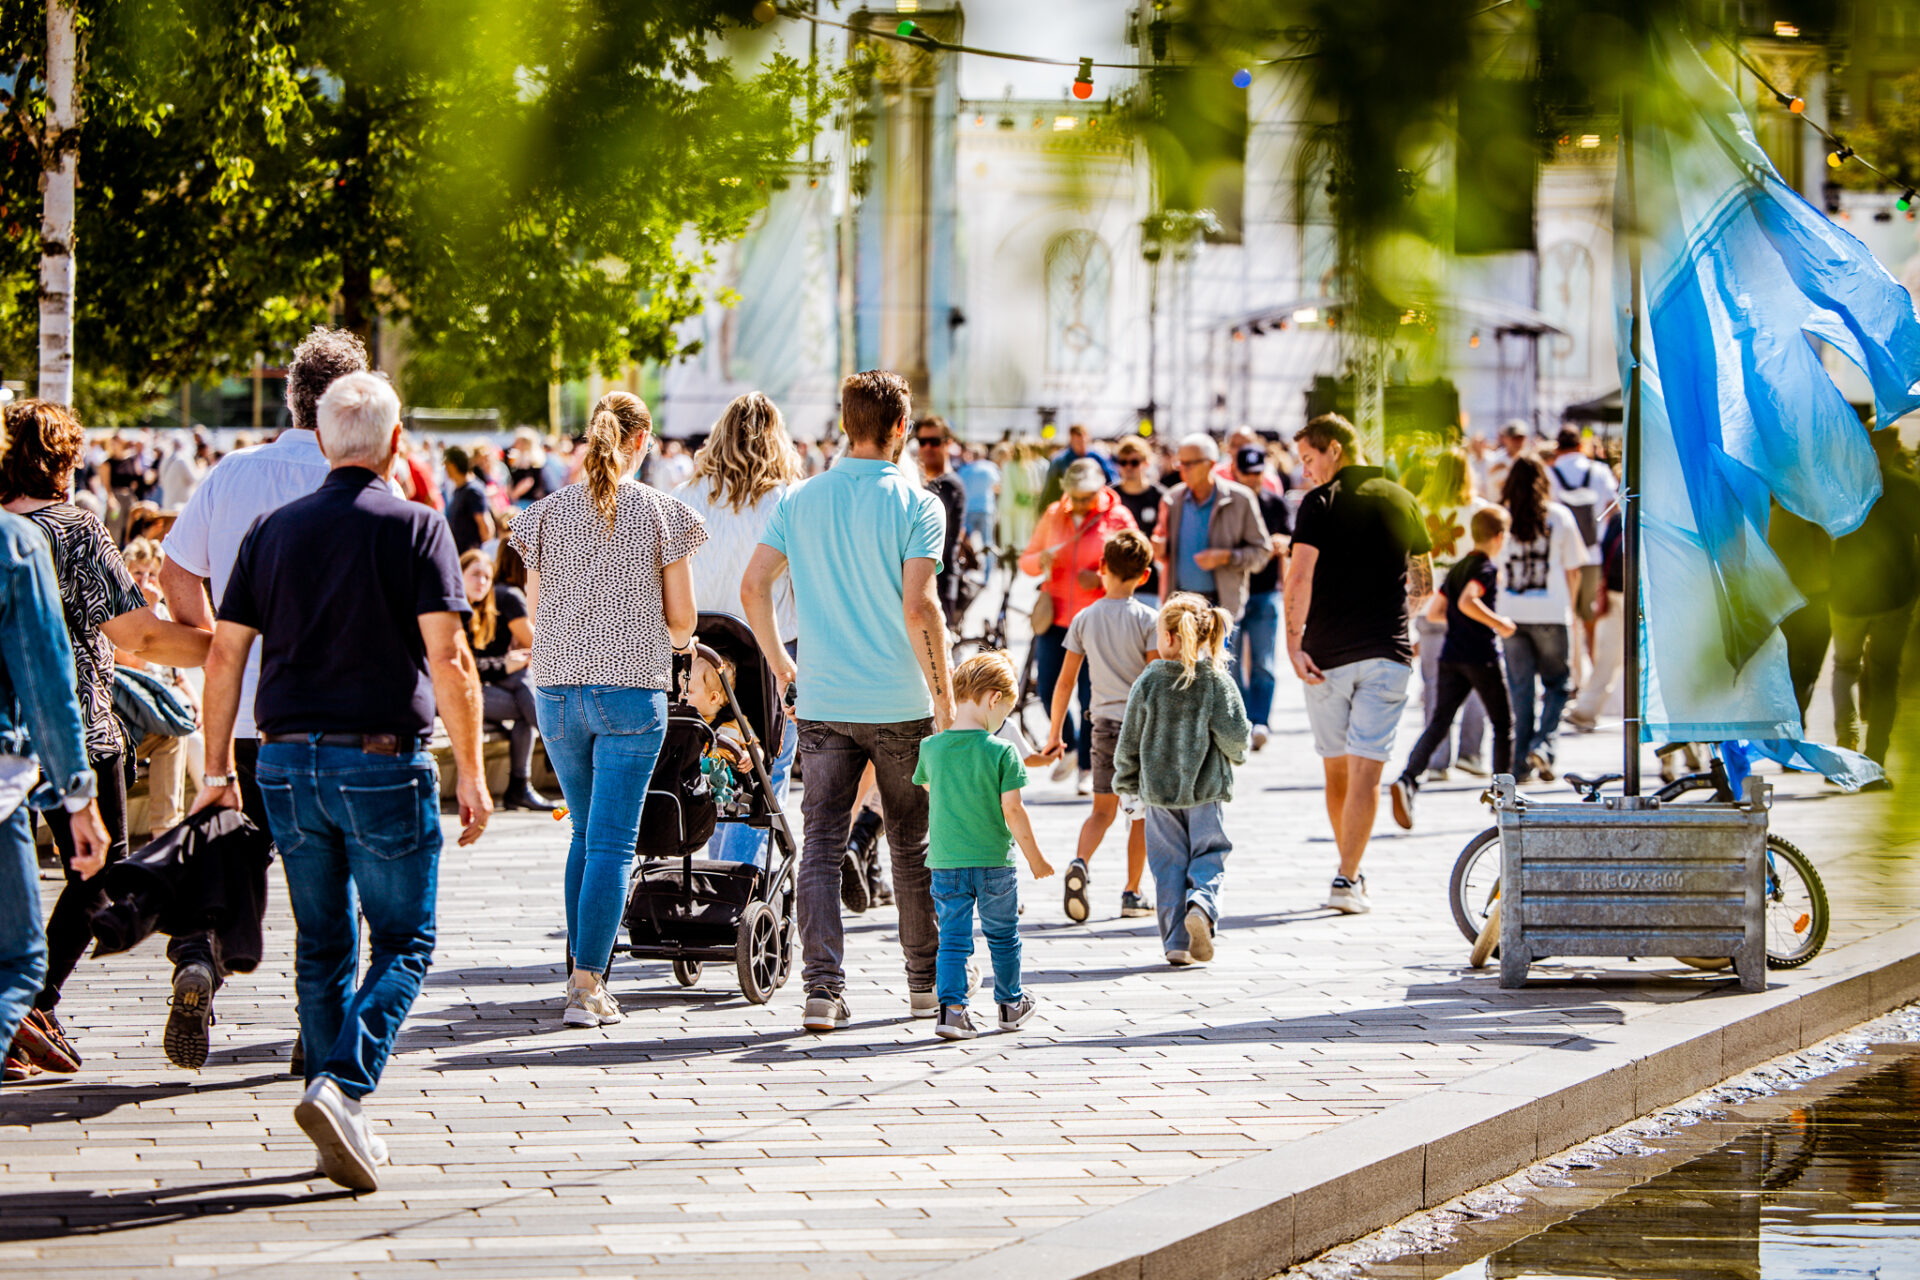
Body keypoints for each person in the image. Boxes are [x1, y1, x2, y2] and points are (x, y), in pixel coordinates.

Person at [191, 371, 486, 1189]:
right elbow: (451, 658)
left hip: (284, 756)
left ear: (321, 441)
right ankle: (343, 1085)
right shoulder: (418, 528)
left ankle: (335, 1112)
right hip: (380, 757)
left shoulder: (270, 531)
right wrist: (470, 769)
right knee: (404, 938)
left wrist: (217, 768)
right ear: (396, 442)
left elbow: (224, 655)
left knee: (321, 944)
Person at [161, 324, 368, 1071]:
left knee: (232, 853)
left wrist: (217, 644)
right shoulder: (359, 483)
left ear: (290, 397)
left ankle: (201, 956)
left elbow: (176, 574)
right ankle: (319, 1021)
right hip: (329, 711)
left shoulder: (231, 475)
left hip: (242, 706)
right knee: (327, 868)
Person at [0, 400, 212, 1075]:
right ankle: (31, 1003)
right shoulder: (73, 529)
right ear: (62, 460)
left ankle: (25, 1008)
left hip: (8, 734)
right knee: (100, 871)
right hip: (78, 726)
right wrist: (224, 647)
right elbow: (139, 634)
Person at [740, 369, 953, 1034]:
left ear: (845, 423)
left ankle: (822, 991)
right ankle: (924, 986)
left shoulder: (801, 499)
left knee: (823, 844)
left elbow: (754, 587)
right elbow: (919, 604)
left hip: (824, 697)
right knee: (911, 848)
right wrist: (946, 701)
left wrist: (783, 667)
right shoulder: (919, 504)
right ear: (900, 429)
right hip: (898, 699)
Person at [511, 391, 703, 1026]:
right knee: (614, 844)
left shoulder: (542, 515)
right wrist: (669, 643)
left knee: (586, 835)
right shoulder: (661, 514)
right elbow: (682, 620)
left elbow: (537, 613)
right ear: (642, 443)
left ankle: (579, 968)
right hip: (629, 691)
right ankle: (587, 984)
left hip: (558, 692)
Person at [1284, 413, 1432, 916]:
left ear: (1335, 451)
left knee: (1337, 773)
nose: (1305, 471)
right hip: (1388, 654)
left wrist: (1293, 640)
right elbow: (1424, 582)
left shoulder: (1320, 503)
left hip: (1326, 656)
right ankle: (1348, 875)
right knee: (1367, 773)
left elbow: (1299, 578)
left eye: (1308, 458)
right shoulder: (1400, 497)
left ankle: (1348, 869)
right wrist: (1397, 621)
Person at [1, 428, 110, 1083]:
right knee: (17, 959)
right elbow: (47, 677)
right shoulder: (15, 545)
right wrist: (78, 795)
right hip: (4, 778)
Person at [670, 390, 804, 867]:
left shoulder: (682, 498)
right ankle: (738, 883)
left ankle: (704, 875)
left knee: (697, 767)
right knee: (765, 775)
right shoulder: (787, 501)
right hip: (767, 650)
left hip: (694, 655)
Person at [913, 651, 1053, 1041]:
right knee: (1004, 936)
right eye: (1005, 711)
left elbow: (928, 786)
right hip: (995, 862)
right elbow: (1014, 810)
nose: (1003, 720)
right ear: (994, 699)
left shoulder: (931, 748)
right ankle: (1010, 1005)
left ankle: (952, 1011)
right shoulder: (1002, 751)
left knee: (953, 940)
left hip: (946, 863)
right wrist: (1037, 859)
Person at [1112, 593, 1250, 967]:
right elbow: (1237, 736)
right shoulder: (1216, 681)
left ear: (1170, 638)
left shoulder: (1150, 679)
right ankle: (1202, 907)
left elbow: (1131, 739)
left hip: (1158, 794)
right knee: (1210, 854)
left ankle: (1176, 943)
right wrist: (1235, 755)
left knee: (1167, 866)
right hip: (1206, 792)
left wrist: (1126, 783)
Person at [1043, 528, 1158, 923]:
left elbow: (1065, 681)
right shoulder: (1149, 619)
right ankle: (1132, 892)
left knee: (1101, 812)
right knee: (1139, 814)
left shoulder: (1084, 618)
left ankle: (1080, 862)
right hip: (1140, 729)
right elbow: (1155, 676)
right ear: (1145, 575)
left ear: (1102, 568)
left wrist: (1056, 732)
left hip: (1103, 727)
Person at [1389, 508, 1517, 830]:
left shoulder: (1459, 566)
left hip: (1451, 655)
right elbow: (1466, 602)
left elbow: (1436, 612)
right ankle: (1504, 799)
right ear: (1499, 537)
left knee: (1440, 722)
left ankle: (1408, 780)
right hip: (1481, 655)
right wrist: (1498, 624)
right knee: (1504, 724)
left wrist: (1461, 623)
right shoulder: (1485, 568)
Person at [1019, 458, 1138, 792]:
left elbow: (1134, 565)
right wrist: (1039, 561)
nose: (1080, 503)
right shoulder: (1055, 512)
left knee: (1090, 696)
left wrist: (1099, 578)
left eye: (1086, 496)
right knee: (1046, 689)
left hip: (1095, 621)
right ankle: (1068, 745)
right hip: (1055, 618)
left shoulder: (1118, 517)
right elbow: (1026, 560)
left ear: (1100, 490)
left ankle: (1088, 768)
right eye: (1075, 496)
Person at [1828, 427, 1920, 766]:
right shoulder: (1908, 488)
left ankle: (1846, 738)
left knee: (1844, 668)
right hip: (1896, 598)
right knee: (1885, 675)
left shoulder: (1845, 486)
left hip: (1848, 597)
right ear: (1895, 447)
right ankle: (1876, 754)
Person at [1497, 455, 1587, 783]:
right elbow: (1574, 569)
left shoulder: (1501, 517)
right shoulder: (1559, 516)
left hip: (1510, 614)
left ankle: (1520, 764)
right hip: (1551, 612)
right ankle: (1544, 746)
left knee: (1521, 692)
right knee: (1557, 685)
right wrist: (1571, 609)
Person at [1414, 447, 1497, 776]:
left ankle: (1436, 759)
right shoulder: (1480, 512)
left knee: (1434, 686)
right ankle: (1470, 753)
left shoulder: (1420, 508)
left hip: (1432, 605)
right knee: (1477, 682)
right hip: (1470, 607)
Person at [119, 538, 207, 841]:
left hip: (167, 707)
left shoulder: (166, 615)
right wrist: (151, 609)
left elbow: (179, 676)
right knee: (181, 736)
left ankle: (201, 822)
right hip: (134, 713)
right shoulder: (120, 613)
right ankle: (176, 832)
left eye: (151, 574)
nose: (145, 580)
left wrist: (200, 709)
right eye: (138, 573)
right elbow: (131, 665)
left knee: (191, 734)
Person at [1156, 434, 1272, 653]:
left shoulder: (1240, 499)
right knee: (1184, 682)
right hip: (1180, 609)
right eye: (1181, 463)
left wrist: (1227, 557)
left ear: (1210, 464)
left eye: (1190, 464)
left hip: (1221, 608)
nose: (1183, 469)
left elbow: (1261, 552)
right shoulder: (1172, 499)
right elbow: (1161, 550)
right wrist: (1158, 549)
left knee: (1223, 679)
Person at [459, 550, 554, 811]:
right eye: (475, 575)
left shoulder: (484, 611)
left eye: (486, 577)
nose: (481, 582)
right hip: (458, 695)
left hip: (485, 689)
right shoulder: (454, 612)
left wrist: (510, 661)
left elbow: (483, 662)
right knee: (523, 691)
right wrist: (505, 664)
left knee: (522, 681)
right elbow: (462, 667)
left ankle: (523, 784)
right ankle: (554, 741)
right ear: (459, 575)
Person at [1229, 445, 1291, 750]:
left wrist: (1284, 542)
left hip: (1266, 591)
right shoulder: (1228, 504)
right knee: (1232, 662)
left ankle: (1260, 720)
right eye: (1247, 473)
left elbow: (1292, 539)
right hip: (1234, 592)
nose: (1253, 479)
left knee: (1264, 660)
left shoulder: (1274, 504)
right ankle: (1240, 721)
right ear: (1236, 471)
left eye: (1258, 473)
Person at [1567, 506, 1628, 732]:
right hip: (1616, 596)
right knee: (1607, 655)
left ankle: (1587, 710)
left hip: (1631, 596)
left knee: (1623, 659)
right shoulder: (1619, 519)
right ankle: (1586, 711)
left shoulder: (1633, 516)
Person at [915, 416, 969, 628]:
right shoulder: (924, 482)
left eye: (934, 441)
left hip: (938, 585)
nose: (927, 447)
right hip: (923, 585)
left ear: (948, 443)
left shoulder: (948, 485)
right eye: (922, 442)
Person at [1111, 436, 1166, 600]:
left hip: (1149, 581)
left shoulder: (1161, 497)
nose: (1128, 467)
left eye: (1134, 462)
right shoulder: (1111, 496)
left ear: (1146, 463)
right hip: (1116, 582)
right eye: (1123, 462)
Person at [1038, 423, 1118, 512]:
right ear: (1071, 441)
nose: (1081, 445)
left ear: (1088, 439)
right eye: (1077, 442)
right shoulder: (1059, 461)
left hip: (1095, 507)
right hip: (1069, 507)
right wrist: (1042, 509)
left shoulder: (1099, 457)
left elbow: (1113, 481)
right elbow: (1049, 487)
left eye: (1083, 441)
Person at [443, 445, 494, 555]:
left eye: (445, 465)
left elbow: (485, 527)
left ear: (452, 466)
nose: (445, 469)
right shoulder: (459, 489)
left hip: (470, 557)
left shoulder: (473, 491)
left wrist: (479, 556)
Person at [956, 445, 1001, 552]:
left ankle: (966, 564)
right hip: (985, 507)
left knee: (966, 539)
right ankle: (989, 567)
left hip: (969, 507)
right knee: (988, 541)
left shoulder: (964, 469)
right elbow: (997, 486)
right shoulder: (990, 468)